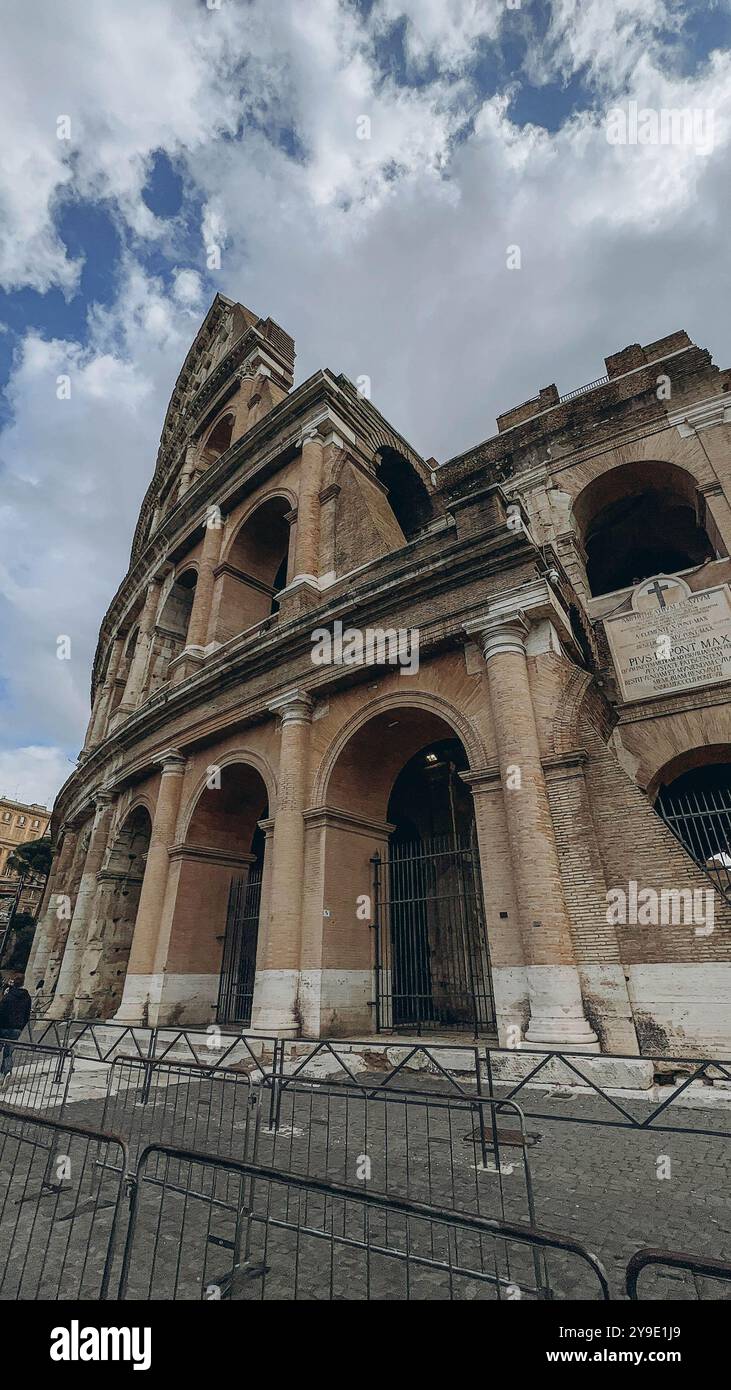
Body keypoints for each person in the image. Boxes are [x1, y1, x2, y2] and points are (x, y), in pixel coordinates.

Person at [0, 974, 32, 1088]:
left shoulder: (9, 996)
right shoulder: (27, 997)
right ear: (23, 983)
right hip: (16, 1029)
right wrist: (20, 1027)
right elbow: (27, 1015)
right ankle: (5, 1073)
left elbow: (2, 1011)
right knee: (8, 1054)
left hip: (3, 1028)